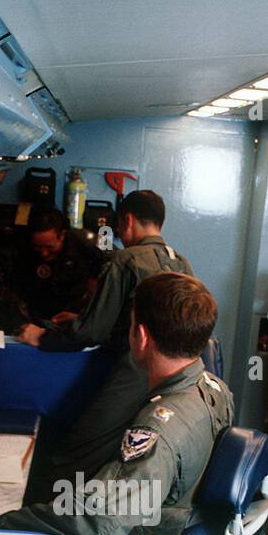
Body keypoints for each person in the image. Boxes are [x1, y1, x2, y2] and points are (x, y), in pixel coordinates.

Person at [0, 271, 233, 535]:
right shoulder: (216, 388)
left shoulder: (157, 431)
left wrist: (9, 520)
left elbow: (101, 519)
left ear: (140, 336)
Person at [20, 189, 194, 481]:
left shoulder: (126, 260)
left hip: (135, 373)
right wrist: (84, 317)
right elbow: (149, 321)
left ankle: (54, 516)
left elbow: (91, 333)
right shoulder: (180, 263)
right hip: (173, 378)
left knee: (75, 453)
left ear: (127, 220)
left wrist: (41, 337)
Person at [10, 207, 107, 323]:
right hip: (36, 312)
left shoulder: (89, 246)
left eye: (50, 247)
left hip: (77, 315)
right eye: (38, 247)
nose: (44, 253)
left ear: (62, 235)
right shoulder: (22, 247)